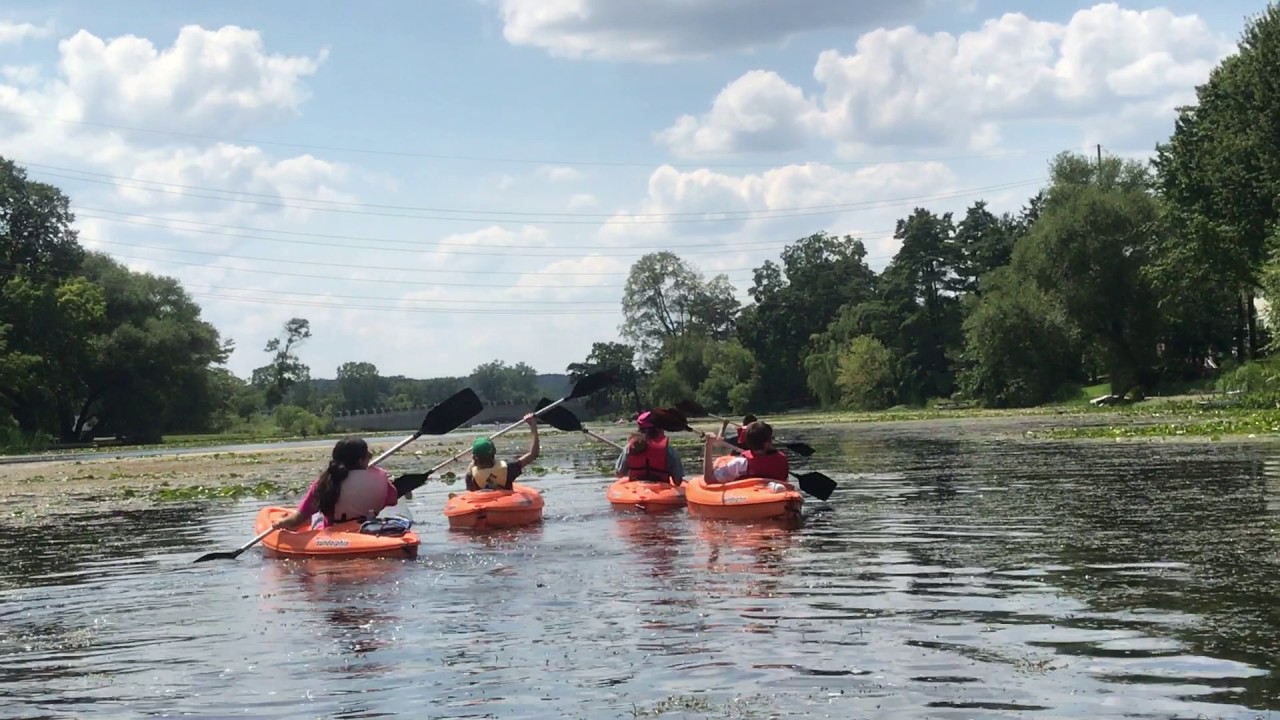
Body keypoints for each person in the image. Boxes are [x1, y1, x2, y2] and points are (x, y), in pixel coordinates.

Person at [272, 436, 398, 530]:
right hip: (367, 528)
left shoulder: (327, 481)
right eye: (367, 454)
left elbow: (297, 519)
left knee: (314, 517)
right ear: (361, 460)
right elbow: (392, 500)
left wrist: (279, 523)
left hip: (333, 532)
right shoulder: (380, 478)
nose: (370, 456)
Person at [466, 413, 540, 491]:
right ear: (493, 454)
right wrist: (533, 425)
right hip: (509, 501)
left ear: (474, 458)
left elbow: (470, 495)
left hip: (482, 502)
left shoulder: (471, 477)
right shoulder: (509, 468)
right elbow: (533, 454)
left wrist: (472, 464)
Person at [703, 420, 789, 484]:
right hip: (776, 499)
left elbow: (709, 478)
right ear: (768, 442)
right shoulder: (782, 459)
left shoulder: (740, 464)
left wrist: (708, 444)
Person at [614, 410, 685, 485]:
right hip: (662, 489)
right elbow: (677, 481)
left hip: (636, 489)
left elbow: (619, 474)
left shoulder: (629, 448)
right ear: (659, 429)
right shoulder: (670, 451)